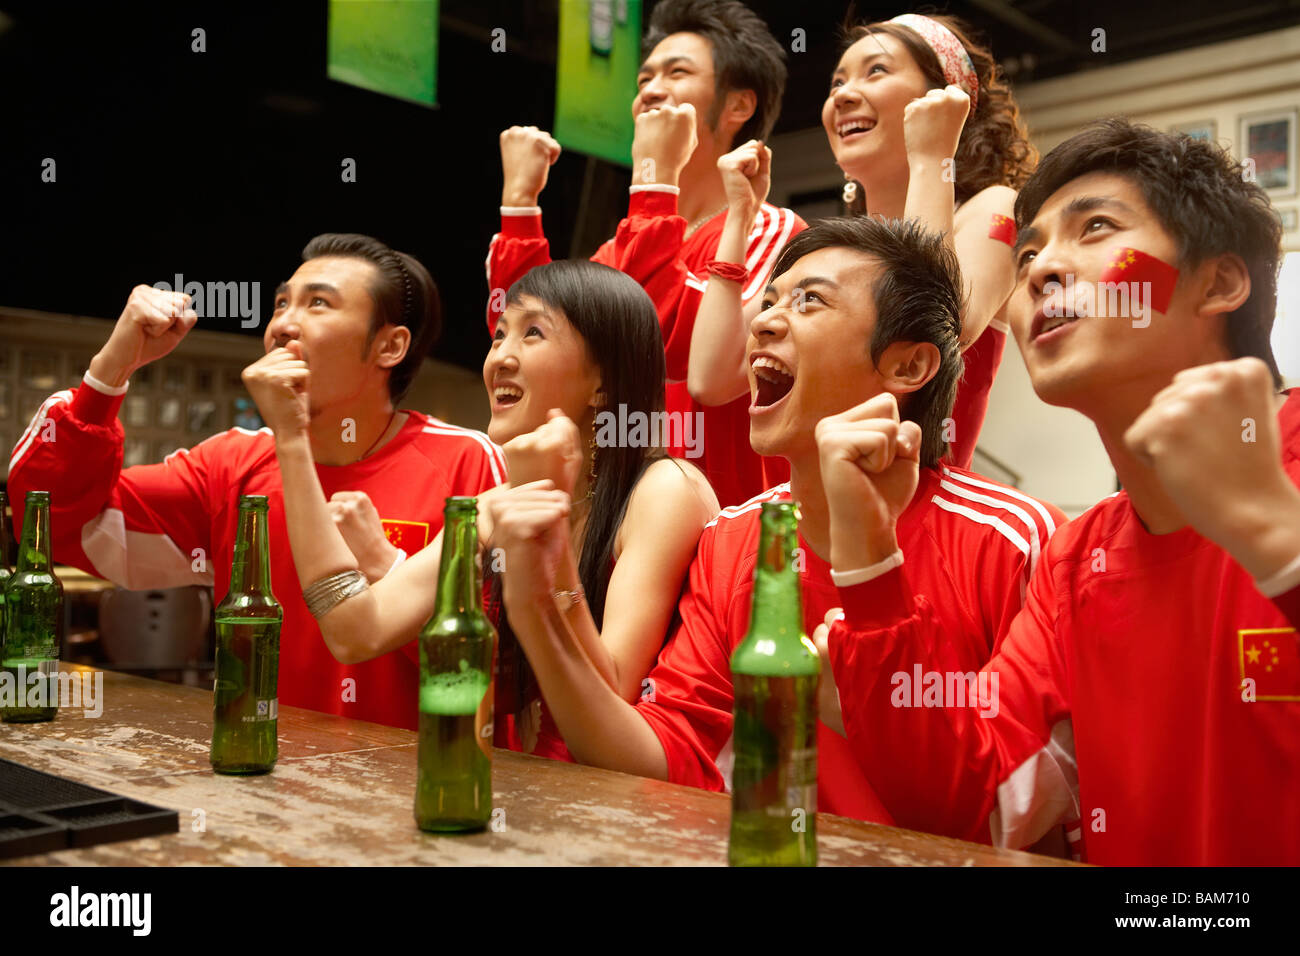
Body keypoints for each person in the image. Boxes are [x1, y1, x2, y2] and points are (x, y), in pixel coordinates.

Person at [821, 119, 1300, 864]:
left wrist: (1277, 541)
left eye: (1097, 228)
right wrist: (871, 565)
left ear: (1220, 281)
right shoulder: (1078, 561)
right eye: (1029, 253)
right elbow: (973, 803)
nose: (1042, 271)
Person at [484, 217, 1064, 823]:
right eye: (768, 300)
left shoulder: (1016, 541)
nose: (761, 321)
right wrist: (535, 594)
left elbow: (1007, 816)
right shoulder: (732, 541)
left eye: (810, 300)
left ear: (910, 367)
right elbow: (664, 754)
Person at [7, 233, 505, 730]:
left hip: (412, 793)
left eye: (318, 304)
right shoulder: (230, 465)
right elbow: (53, 523)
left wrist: (386, 570)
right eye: (281, 303)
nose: (284, 325)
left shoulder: (466, 462)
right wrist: (111, 371)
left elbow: (497, 676)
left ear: (389, 345)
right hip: (261, 783)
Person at [246, 259, 718, 760]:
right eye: (498, 335)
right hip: (536, 795)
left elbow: (613, 689)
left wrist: (547, 546)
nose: (499, 359)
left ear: (602, 383)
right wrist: (291, 438)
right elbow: (353, 629)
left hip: (637, 814)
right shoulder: (496, 505)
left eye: (532, 333)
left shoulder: (666, 490)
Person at [486, 0, 804, 507]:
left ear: (738, 107)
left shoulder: (772, 228)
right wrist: (521, 207)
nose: (651, 90)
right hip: (610, 520)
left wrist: (655, 177)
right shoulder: (624, 243)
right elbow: (532, 343)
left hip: (716, 527)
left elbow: (661, 343)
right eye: (643, 79)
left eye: (677, 73)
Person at [690, 13, 1036, 472]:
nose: (843, 95)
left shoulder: (993, 208)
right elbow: (710, 380)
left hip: (917, 522)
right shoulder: (829, 253)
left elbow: (928, 321)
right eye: (836, 83)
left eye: (876, 70)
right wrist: (739, 217)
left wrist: (933, 156)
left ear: (947, 98)